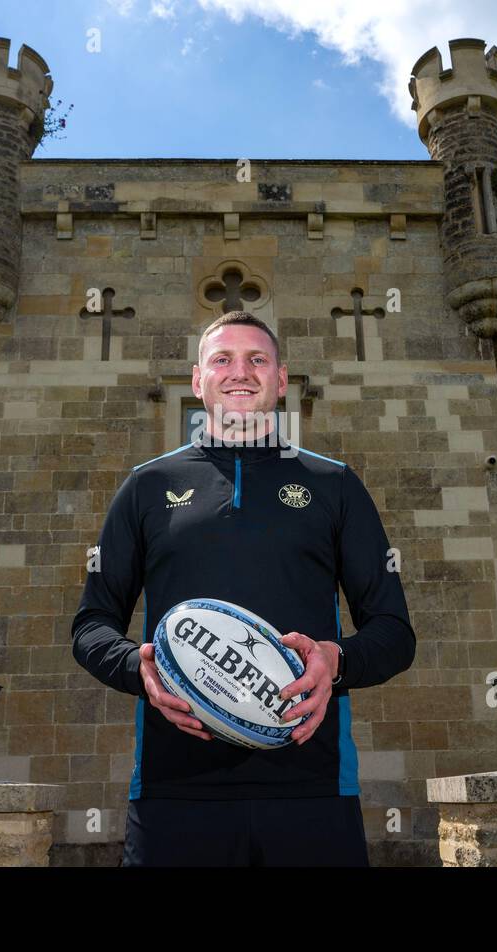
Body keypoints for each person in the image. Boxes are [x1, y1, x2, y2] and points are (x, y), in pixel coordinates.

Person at [72, 310, 415, 866]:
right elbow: (91, 625)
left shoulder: (335, 485)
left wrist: (337, 660)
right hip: (173, 793)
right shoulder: (147, 486)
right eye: (222, 359)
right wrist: (138, 666)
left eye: (258, 359)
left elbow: (395, 633)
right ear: (197, 379)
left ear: (281, 380)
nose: (240, 372)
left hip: (312, 790)